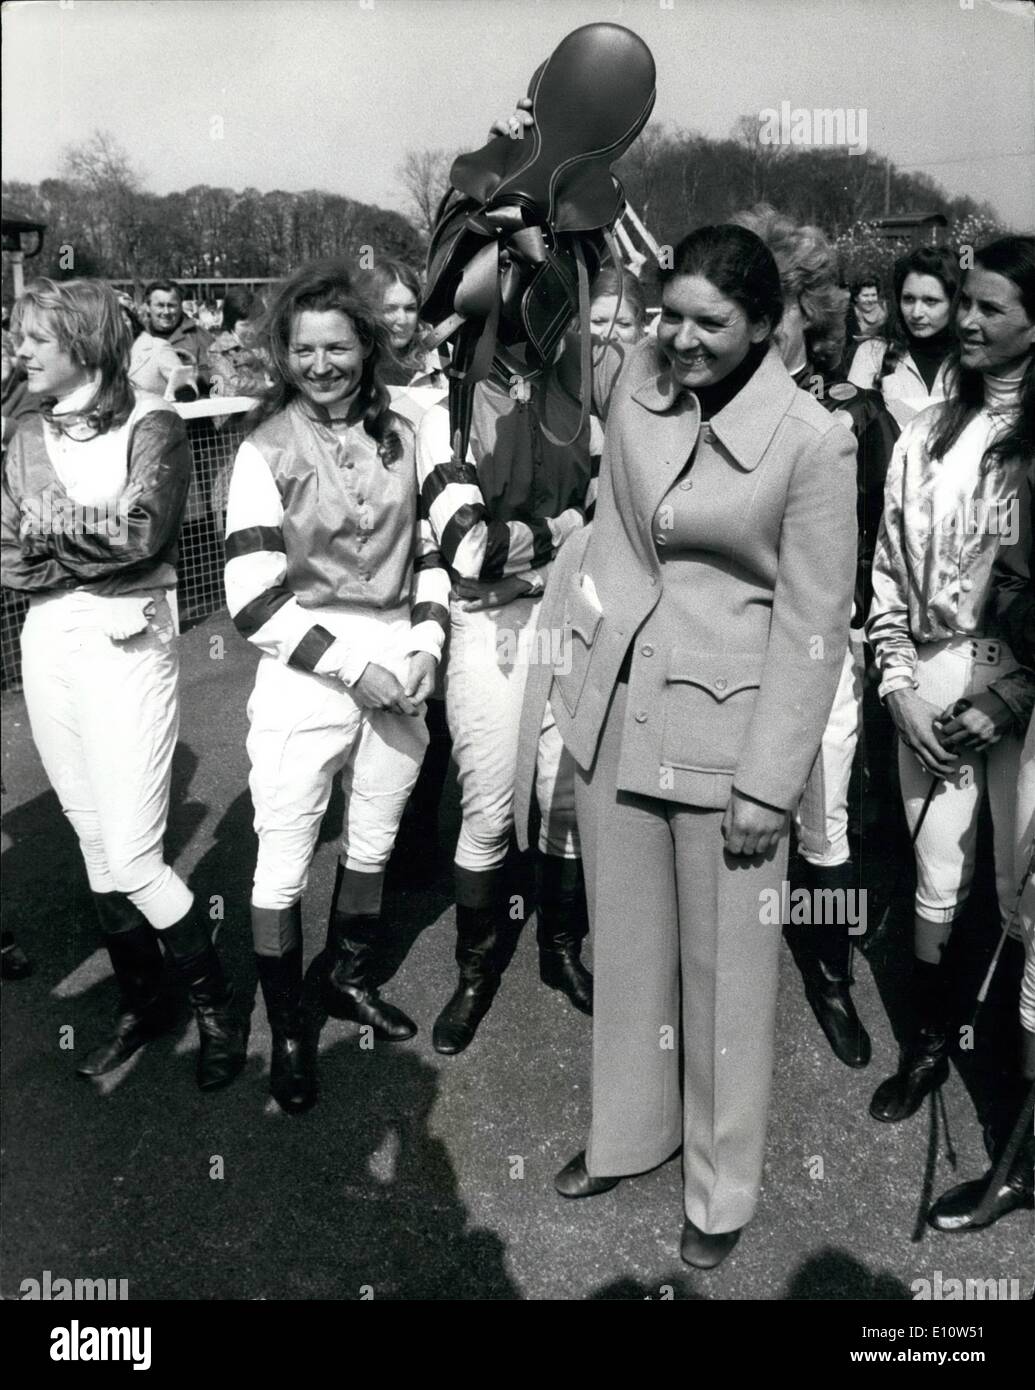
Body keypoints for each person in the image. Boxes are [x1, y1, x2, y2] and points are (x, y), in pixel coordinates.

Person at [530, 224, 857, 1269]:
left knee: (726, 977)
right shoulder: (636, 377)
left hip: (728, 742)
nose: (682, 338)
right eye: (670, 313)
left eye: (711, 322)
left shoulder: (815, 441)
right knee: (627, 948)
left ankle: (721, 1189)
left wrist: (771, 784)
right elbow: (543, 325)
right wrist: (541, 215)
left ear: (766, 325)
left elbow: (814, 628)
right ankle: (629, 1134)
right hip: (616, 712)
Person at [0, 277, 245, 1090]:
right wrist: (77, 538)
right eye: (17, 334)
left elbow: (143, 536)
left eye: (36, 337)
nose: (19, 349)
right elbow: (7, 555)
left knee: (137, 857)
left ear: (86, 340)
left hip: (128, 644)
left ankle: (219, 1010)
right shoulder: (24, 430)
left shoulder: (154, 423)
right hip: (49, 642)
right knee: (96, 848)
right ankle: (145, 1006)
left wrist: (55, 532)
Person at [224, 259, 449, 1114]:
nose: (322, 365)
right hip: (304, 673)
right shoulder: (263, 449)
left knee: (374, 841)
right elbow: (251, 599)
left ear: (367, 348)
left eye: (339, 347)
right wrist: (357, 672)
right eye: (305, 349)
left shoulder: (408, 429)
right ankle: (286, 1032)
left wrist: (426, 642)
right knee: (281, 863)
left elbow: (431, 551)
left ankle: (345, 981)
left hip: (403, 654)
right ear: (284, 354)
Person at [867, 236, 1035, 1130]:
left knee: (1017, 886)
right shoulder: (926, 431)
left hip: (1024, 691)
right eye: (961, 301)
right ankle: (928, 1045)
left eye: (989, 308)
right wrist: (896, 684)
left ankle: (1010, 1065)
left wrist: (1010, 694)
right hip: (930, 671)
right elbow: (888, 569)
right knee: (936, 871)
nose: (965, 320)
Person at [732, 204, 901, 1069]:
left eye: (776, 304)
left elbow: (884, 533)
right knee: (729, 808)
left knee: (822, 821)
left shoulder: (857, 416)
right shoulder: (702, 409)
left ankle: (828, 974)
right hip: (727, 645)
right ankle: (733, 975)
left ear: (805, 308)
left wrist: (873, 624)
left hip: (822, 648)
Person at [848, 246, 960, 428]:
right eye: (908, 299)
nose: (916, 313)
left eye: (930, 301)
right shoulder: (873, 354)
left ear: (953, 302)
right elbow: (854, 424)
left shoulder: (973, 357)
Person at [137, 280, 213, 390]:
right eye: (160, 305)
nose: (166, 312)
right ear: (148, 307)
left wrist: (194, 373)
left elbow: (219, 379)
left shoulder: (201, 336)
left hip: (191, 403)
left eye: (172, 305)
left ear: (181, 306)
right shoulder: (136, 337)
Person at [207, 287, 272, 398]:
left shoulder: (266, 343)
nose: (253, 330)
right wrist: (268, 386)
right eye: (245, 325)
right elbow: (234, 385)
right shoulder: (217, 351)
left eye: (257, 322)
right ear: (231, 322)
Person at [846, 275, 887, 344]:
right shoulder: (849, 315)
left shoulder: (886, 309)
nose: (870, 300)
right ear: (856, 298)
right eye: (865, 295)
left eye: (873, 295)